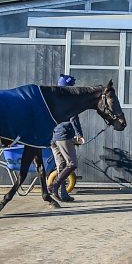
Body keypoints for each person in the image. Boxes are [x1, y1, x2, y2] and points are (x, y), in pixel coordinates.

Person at [48, 74, 84, 202]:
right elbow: (74, 118)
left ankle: (63, 194)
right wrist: (79, 134)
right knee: (72, 163)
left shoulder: (53, 99)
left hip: (53, 137)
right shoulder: (68, 100)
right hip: (63, 135)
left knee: (61, 166)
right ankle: (54, 185)